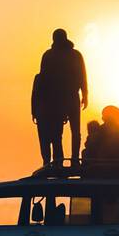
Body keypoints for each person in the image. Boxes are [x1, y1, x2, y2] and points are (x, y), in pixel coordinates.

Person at [37, 28, 88, 168]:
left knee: (71, 131)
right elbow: (43, 80)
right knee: (59, 132)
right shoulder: (49, 55)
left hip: (67, 97)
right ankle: (60, 161)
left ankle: (73, 160)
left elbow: (82, 75)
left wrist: (85, 94)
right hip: (57, 99)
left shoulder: (73, 55)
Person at [31, 71, 64, 174]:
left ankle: (53, 164)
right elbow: (34, 95)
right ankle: (52, 164)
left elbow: (34, 95)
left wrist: (34, 112)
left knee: (51, 141)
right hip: (49, 115)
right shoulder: (58, 77)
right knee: (54, 141)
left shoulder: (42, 78)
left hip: (48, 115)